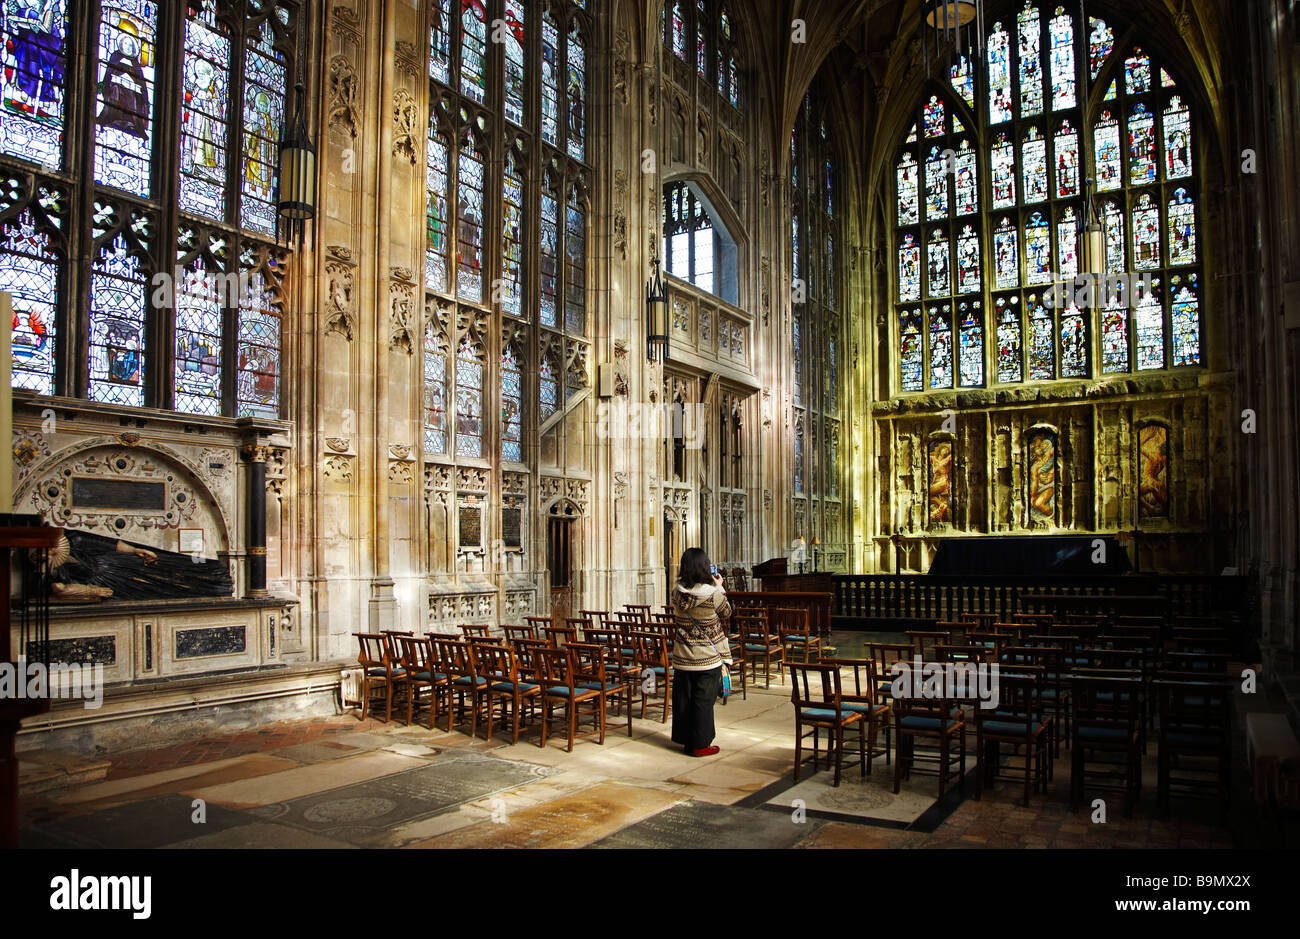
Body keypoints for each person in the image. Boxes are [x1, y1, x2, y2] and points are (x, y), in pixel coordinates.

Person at [669, 547, 731, 757]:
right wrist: (719, 587)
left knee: (684, 700)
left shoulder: (676, 593)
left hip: (682, 657)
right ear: (705, 567)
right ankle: (700, 745)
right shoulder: (713, 595)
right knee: (703, 701)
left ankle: (687, 740)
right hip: (707, 658)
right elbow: (727, 612)